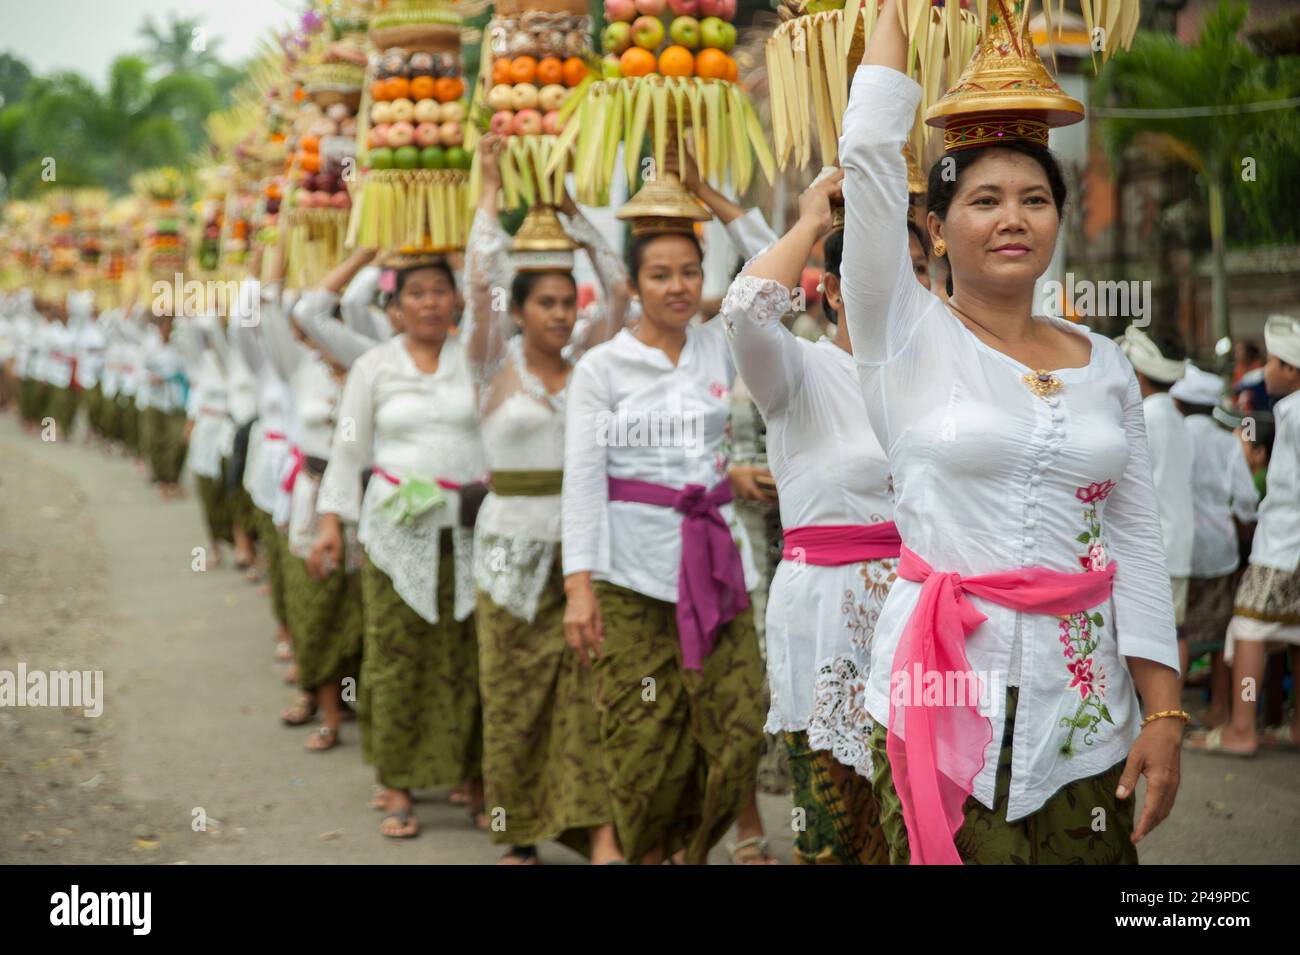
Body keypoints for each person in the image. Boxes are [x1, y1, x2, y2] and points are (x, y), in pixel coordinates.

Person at [839, 0, 1182, 864]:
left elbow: (1135, 537)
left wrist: (1166, 711)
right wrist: (892, 15)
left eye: (1035, 198)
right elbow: (871, 161)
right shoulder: (903, 333)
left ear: (1058, 223)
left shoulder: (1105, 362)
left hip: (1086, 711)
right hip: (940, 697)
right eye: (984, 199)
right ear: (934, 230)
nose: (1012, 218)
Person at [561, 162, 775, 865]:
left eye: (689, 270)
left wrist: (713, 199)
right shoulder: (603, 368)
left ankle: (694, 846)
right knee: (644, 739)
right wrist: (579, 585)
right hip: (631, 576)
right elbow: (585, 479)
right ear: (634, 284)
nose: (678, 286)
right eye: (660, 274)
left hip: (717, 565)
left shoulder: (721, 340)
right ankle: (651, 851)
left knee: (741, 725)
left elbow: (770, 274)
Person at [720, 167, 928, 864]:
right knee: (838, 827)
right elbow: (747, 307)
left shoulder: (945, 381)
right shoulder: (797, 373)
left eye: (918, 271)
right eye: (877, 270)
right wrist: (811, 220)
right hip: (828, 617)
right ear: (833, 289)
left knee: (924, 819)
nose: (902, 289)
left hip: (929, 618)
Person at [460, 134, 629, 864]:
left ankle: (597, 830)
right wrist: (493, 194)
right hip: (506, 552)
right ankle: (518, 832)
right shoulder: (489, 365)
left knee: (586, 694)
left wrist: (574, 219)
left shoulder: (592, 361)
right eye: (547, 304)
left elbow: (621, 289)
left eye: (568, 303)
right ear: (521, 311)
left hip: (583, 551)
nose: (561, 314)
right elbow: (479, 286)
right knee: (513, 694)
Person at [313, 251, 485, 840]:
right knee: (394, 656)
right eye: (416, 293)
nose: (431, 302)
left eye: (441, 290)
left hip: (467, 531)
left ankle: (473, 776)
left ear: (457, 299)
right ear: (392, 308)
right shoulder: (374, 366)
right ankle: (398, 783)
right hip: (393, 534)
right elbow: (349, 447)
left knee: (466, 653)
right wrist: (332, 522)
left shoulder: (479, 360)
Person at [1188, 314, 1300, 755]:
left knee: (1250, 628)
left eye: (1273, 362)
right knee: (1294, 633)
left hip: (1284, 542)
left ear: (1291, 370)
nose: (1264, 371)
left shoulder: (1292, 411)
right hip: (1288, 540)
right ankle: (1293, 726)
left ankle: (1241, 728)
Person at [1169, 365, 1258, 727]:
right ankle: (1219, 710)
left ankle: (1168, 716)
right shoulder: (1227, 441)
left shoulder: (1169, 435)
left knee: (1175, 634)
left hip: (1176, 552)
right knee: (1221, 635)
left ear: (1179, 401)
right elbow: (1248, 499)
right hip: (1219, 553)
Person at [1117, 326, 1194, 631]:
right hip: (1179, 541)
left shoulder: (1143, 418)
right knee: (1174, 631)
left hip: (1150, 544)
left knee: (1146, 636)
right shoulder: (1179, 419)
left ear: (1138, 374)